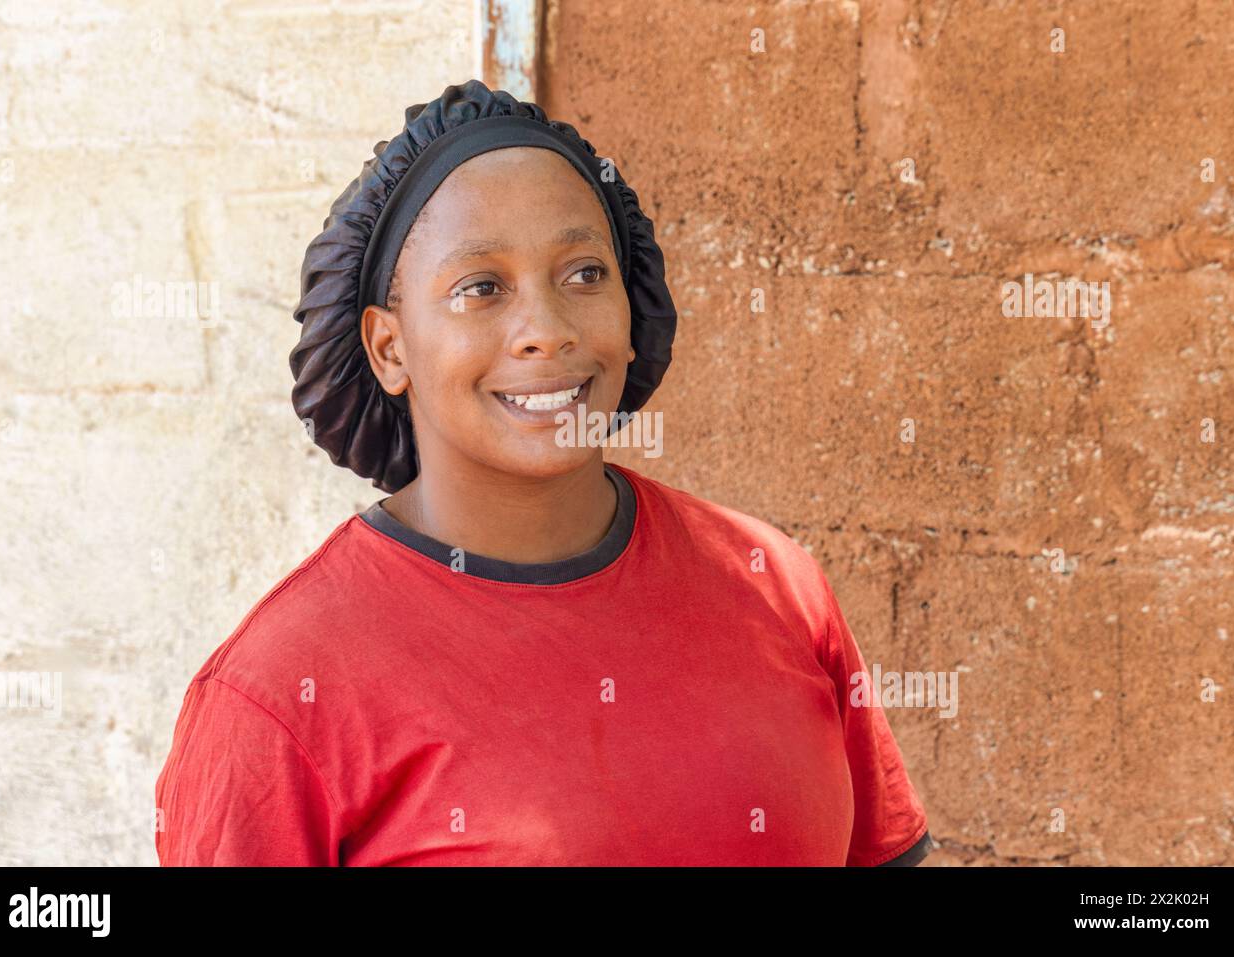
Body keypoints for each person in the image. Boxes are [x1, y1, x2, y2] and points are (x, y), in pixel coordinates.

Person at [153, 79, 932, 866]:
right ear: (389, 348)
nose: (547, 330)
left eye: (585, 274)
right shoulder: (281, 694)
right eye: (481, 288)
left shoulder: (777, 587)